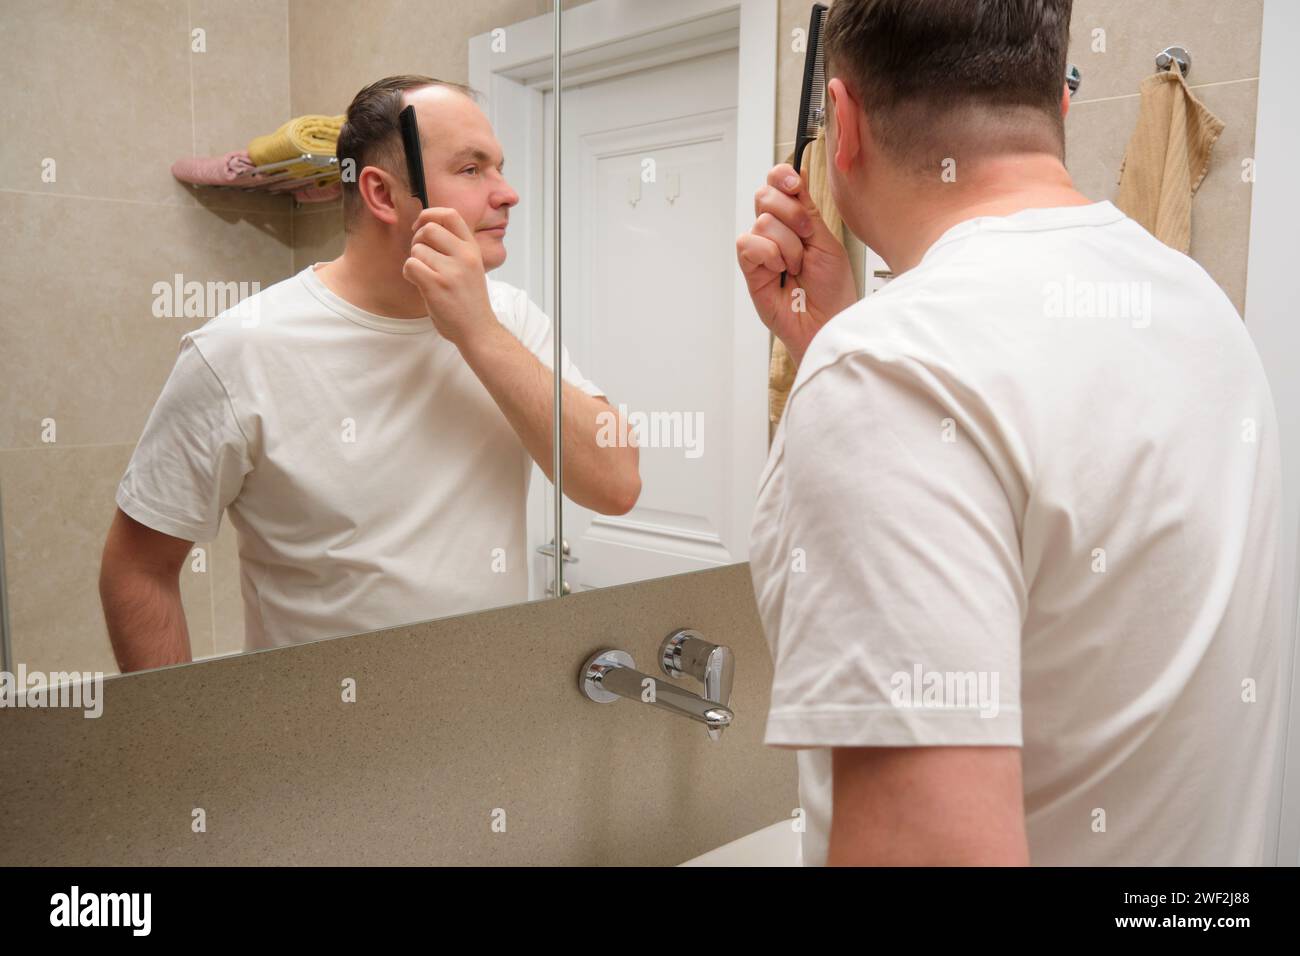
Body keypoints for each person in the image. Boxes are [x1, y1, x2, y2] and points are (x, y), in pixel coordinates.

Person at [738, 0, 1282, 865]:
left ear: (839, 124)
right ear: (1059, 103)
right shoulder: (1196, 307)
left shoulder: (889, 371)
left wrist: (853, 357)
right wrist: (837, 336)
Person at [100, 75, 640, 671]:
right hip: (318, 739)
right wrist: (178, 749)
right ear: (382, 195)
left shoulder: (509, 318)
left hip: (488, 722)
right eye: (471, 169)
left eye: (499, 168)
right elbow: (138, 570)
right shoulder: (238, 350)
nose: (507, 193)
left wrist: (478, 334)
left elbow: (615, 484)